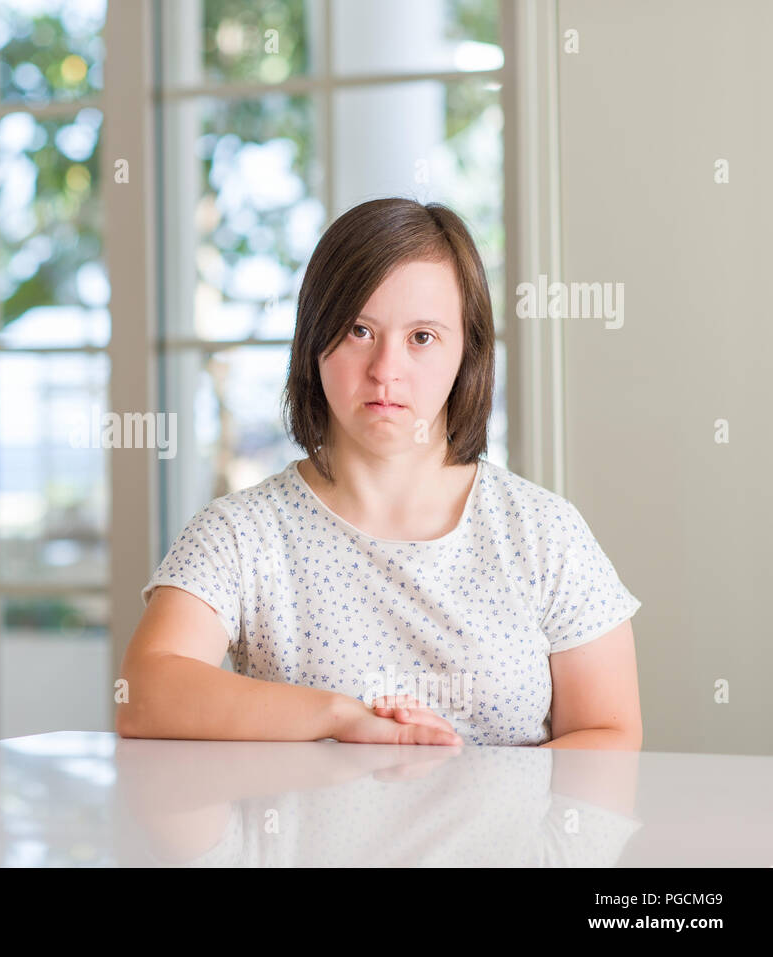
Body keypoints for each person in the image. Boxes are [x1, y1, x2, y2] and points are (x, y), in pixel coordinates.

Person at [117, 197, 643, 749]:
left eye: (422, 337)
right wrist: (339, 718)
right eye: (359, 331)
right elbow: (145, 691)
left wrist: (476, 807)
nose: (385, 370)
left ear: (468, 352)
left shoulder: (544, 532)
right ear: (314, 342)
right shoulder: (242, 533)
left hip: (505, 838)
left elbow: (608, 734)